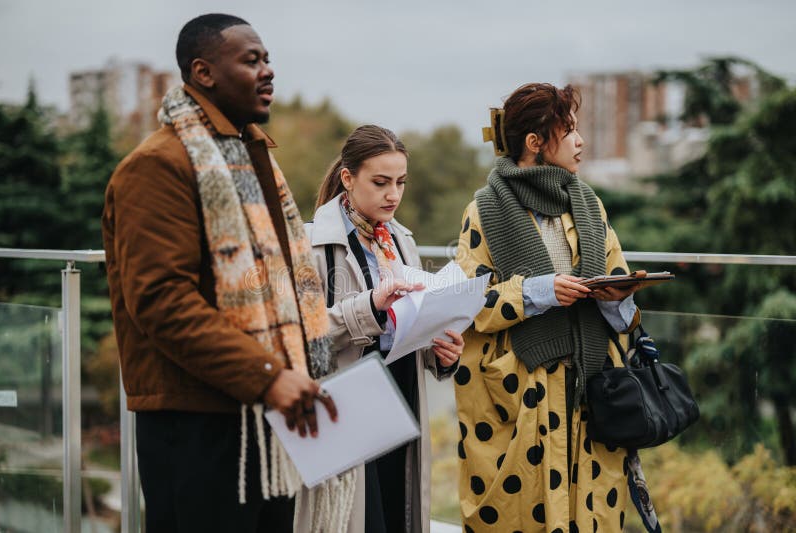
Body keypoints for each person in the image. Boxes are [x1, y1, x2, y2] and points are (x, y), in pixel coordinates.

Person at [102, 14, 338, 533]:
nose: (268, 71)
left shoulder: (251, 159)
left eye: (268, 59)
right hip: (196, 424)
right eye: (252, 60)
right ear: (203, 72)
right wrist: (268, 377)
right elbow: (161, 302)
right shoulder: (158, 165)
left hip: (262, 421)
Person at [453, 83, 642, 532]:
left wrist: (619, 298)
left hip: (590, 394)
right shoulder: (484, 210)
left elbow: (620, 282)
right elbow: (464, 303)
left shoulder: (589, 203)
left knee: (592, 515)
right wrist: (537, 292)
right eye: (570, 131)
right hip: (522, 399)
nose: (581, 141)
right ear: (536, 143)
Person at [298, 124, 464, 533]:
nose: (394, 194)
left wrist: (441, 352)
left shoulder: (402, 241)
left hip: (401, 396)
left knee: (395, 514)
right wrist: (369, 307)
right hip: (345, 404)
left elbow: (407, 325)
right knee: (355, 520)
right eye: (381, 182)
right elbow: (302, 334)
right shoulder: (308, 244)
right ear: (348, 178)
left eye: (401, 182)